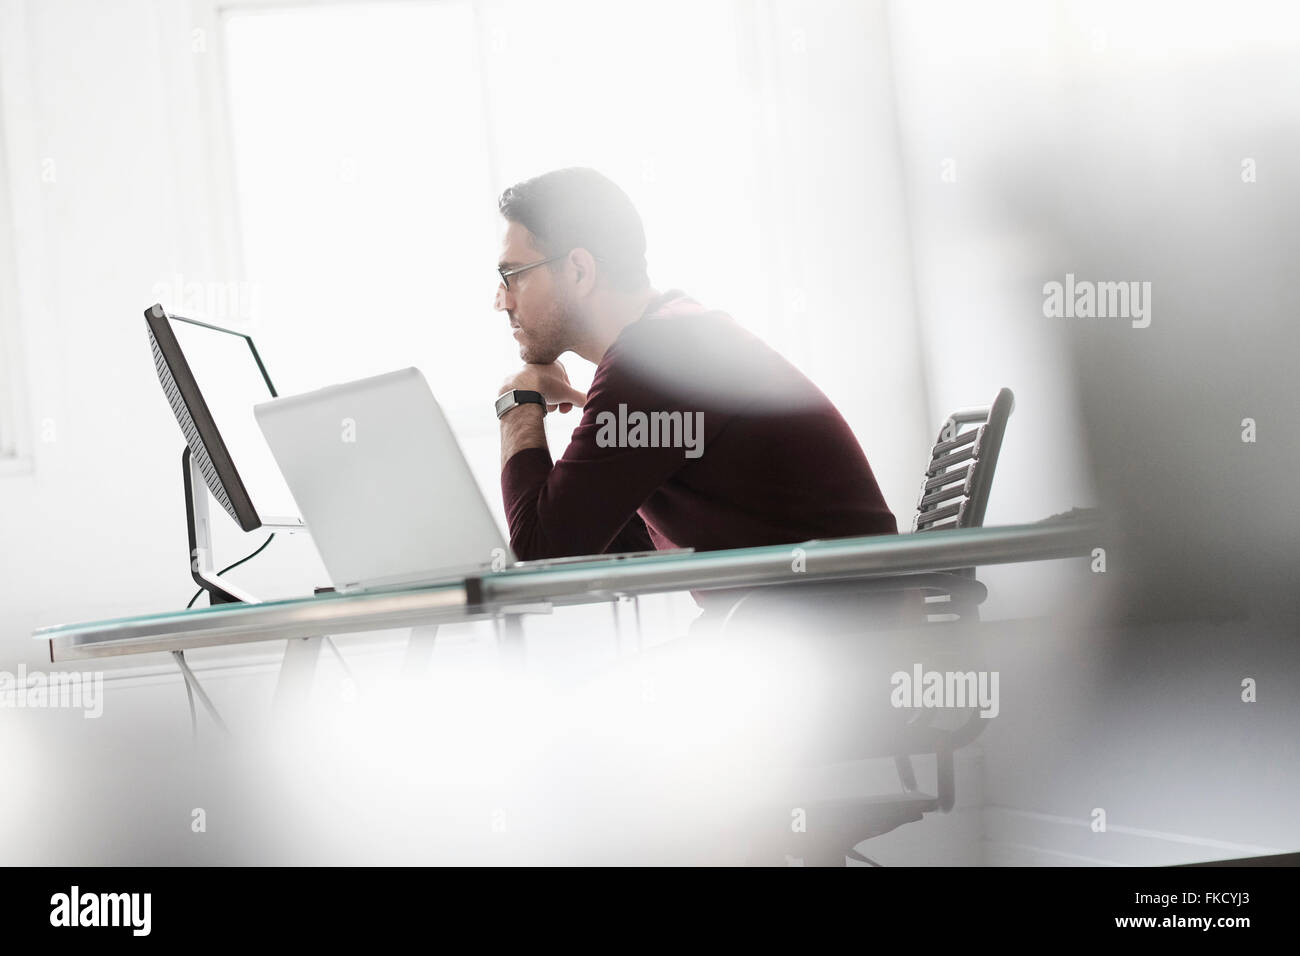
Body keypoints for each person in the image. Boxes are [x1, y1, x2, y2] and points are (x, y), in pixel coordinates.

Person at [491, 167, 907, 627]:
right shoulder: (672, 337)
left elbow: (541, 555)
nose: (501, 300)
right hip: (821, 628)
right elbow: (608, 543)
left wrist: (517, 404)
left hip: (825, 645)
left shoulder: (655, 356)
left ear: (579, 270)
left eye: (513, 275)